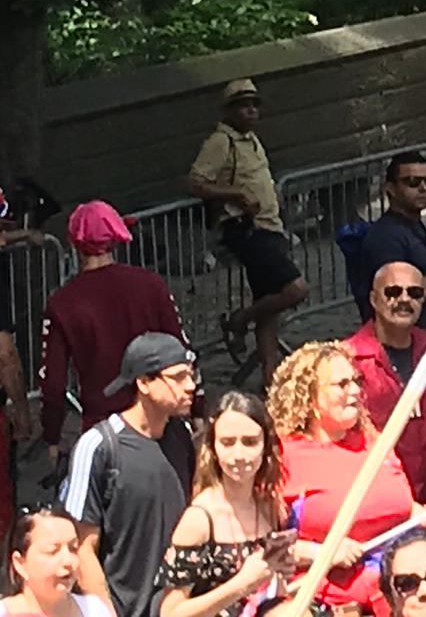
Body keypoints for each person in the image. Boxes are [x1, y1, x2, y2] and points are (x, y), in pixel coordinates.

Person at [270, 343, 426, 615]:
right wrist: (322, 552)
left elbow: (401, 508)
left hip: (399, 594)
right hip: (327, 601)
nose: (355, 391)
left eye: (355, 381)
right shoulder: (284, 457)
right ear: (309, 396)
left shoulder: (375, 442)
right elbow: (264, 545)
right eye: (341, 384)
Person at [40, 202, 187, 469]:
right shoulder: (151, 284)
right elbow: (181, 347)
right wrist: (196, 407)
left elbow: (53, 383)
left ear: (74, 244)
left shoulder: (62, 303)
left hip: (104, 427)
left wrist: (52, 435)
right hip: (159, 415)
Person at [64, 334, 197, 617]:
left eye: (191, 375)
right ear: (144, 383)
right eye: (178, 377)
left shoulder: (181, 436)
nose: (191, 386)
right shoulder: (99, 446)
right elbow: (83, 547)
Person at [186, 80, 308, 381]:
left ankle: (269, 375)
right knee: (295, 289)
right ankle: (239, 320)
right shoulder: (220, 142)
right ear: (229, 110)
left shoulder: (251, 140)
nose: (251, 111)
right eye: (243, 105)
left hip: (269, 226)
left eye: (254, 105)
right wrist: (234, 196)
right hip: (246, 229)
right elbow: (195, 182)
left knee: (268, 302)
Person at [157, 392, 289, 617]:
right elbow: (171, 612)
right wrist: (241, 585)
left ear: (266, 445)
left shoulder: (270, 507)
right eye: (227, 443)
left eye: (250, 442)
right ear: (213, 449)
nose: (239, 455)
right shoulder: (199, 519)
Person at [345, 263, 426, 504]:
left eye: (414, 293)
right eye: (392, 292)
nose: (404, 299)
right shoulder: (348, 359)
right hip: (376, 501)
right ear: (373, 299)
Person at [354, 153, 426, 332]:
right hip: (402, 337)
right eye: (412, 182)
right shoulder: (386, 236)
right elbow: (393, 293)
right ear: (390, 188)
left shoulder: (412, 224)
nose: (423, 188)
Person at [5, 508, 115, 617]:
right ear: (20, 563)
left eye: (73, 549)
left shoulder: (94, 610)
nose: (68, 561)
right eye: (52, 551)